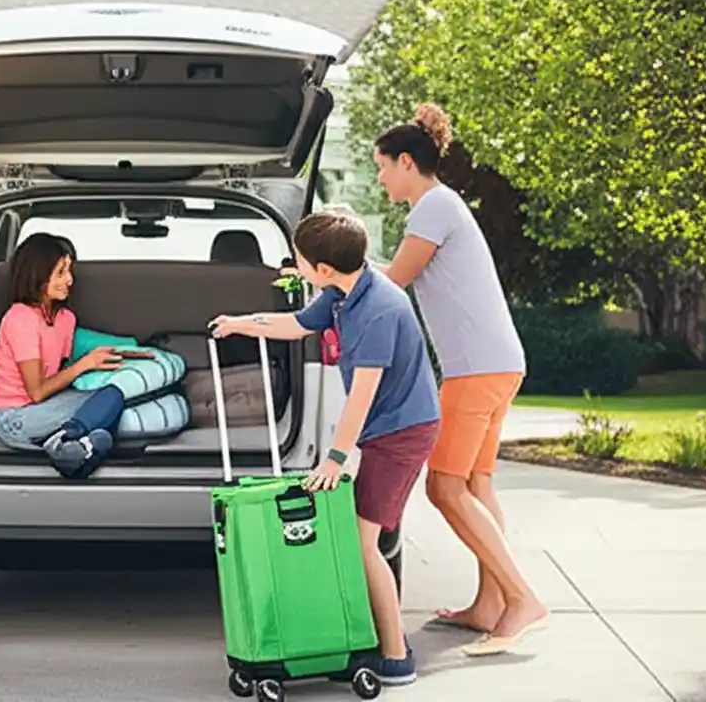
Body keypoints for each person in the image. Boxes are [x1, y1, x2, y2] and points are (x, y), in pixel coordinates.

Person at [210, 211, 440, 686]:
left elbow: (362, 396)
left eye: (301, 261)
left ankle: (396, 658)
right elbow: (296, 324)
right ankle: (367, 640)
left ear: (325, 268)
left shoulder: (379, 310)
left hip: (401, 431)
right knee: (360, 537)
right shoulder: (340, 293)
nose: (296, 267)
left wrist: (335, 458)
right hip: (384, 426)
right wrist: (240, 323)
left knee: (362, 543)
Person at [373, 103, 548, 655]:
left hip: (476, 369)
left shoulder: (432, 208)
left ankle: (521, 598)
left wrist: (326, 266)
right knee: (474, 485)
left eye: (382, 167)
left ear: (406, 161)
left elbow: (395, 279)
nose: (380, 177)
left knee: (444, 487)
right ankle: (490, 604)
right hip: (495, 362)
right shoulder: (442, 206)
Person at [0, 233, 129, 479]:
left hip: (43, 408)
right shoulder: (20, 318)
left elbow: (59, 377)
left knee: (110, 400)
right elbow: (38, 391)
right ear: (38, 275)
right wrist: (85, 364)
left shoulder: (65, 319)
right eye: (61, 273)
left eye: (69, 272)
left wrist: (120, 355)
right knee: (108, 404)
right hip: (13, 417)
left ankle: (75, 450)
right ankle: (68, 440)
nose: (70, 280)